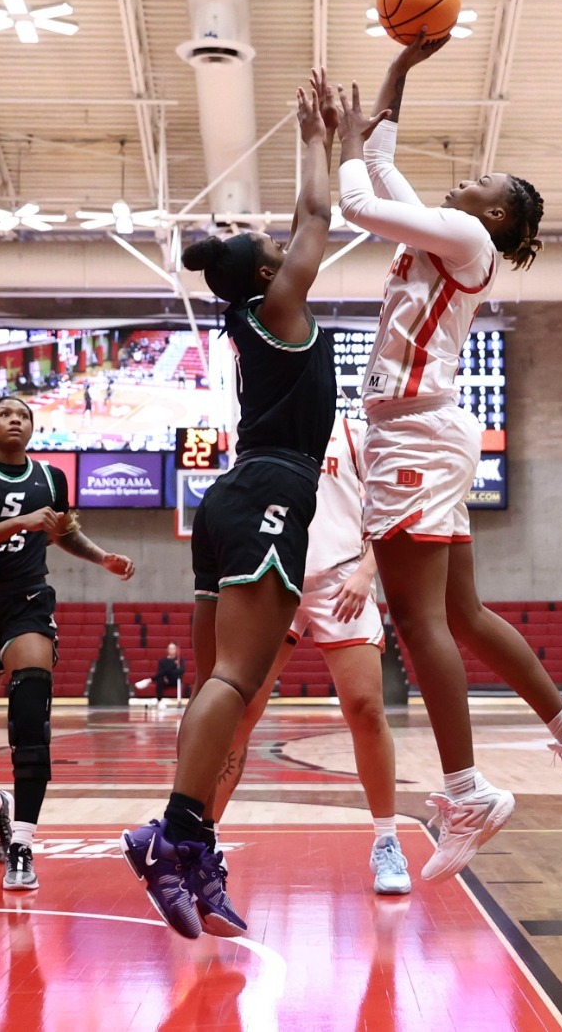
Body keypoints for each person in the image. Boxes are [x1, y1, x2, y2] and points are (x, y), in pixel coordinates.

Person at [333, 47, 562, 880]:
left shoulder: (464, 235)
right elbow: (380, 166)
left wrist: (342, 142)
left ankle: (468, 791)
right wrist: (399, 69)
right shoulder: (451, 230)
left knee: (418, 620)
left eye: (484, 179)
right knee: (460, 612)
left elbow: (357, 198)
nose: (468, 177)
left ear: (497, 215)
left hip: (415, 435)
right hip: (424, 432)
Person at [122, 71, 340, 941]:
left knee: (227, 692)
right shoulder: (279, 305)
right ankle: (171, 831)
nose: (287, 243)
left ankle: (195, 843)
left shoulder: (254, 313)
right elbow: (317, 214)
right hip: (272, 490)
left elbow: (304, 225)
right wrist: (317, 136)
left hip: (232, 497)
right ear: (268, 271)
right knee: (234, 682)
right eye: (274, 244)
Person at [208, 413, 410, 896]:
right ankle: (202, 840)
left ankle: (386, 840)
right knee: (241, 711)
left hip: (342, 579)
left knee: (365, 709)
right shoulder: (262, 432)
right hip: (276, 576)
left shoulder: (353, 433)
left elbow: (392, 511)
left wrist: (366, 573)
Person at [0, 394, 135, 893]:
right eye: (5, 413)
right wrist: (20, 523)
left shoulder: (51, 478)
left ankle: (23, 845)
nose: (16, 420)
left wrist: (102, 557)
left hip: (28, 601)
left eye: (24, 415)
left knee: (31, 716)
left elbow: (64, 533)